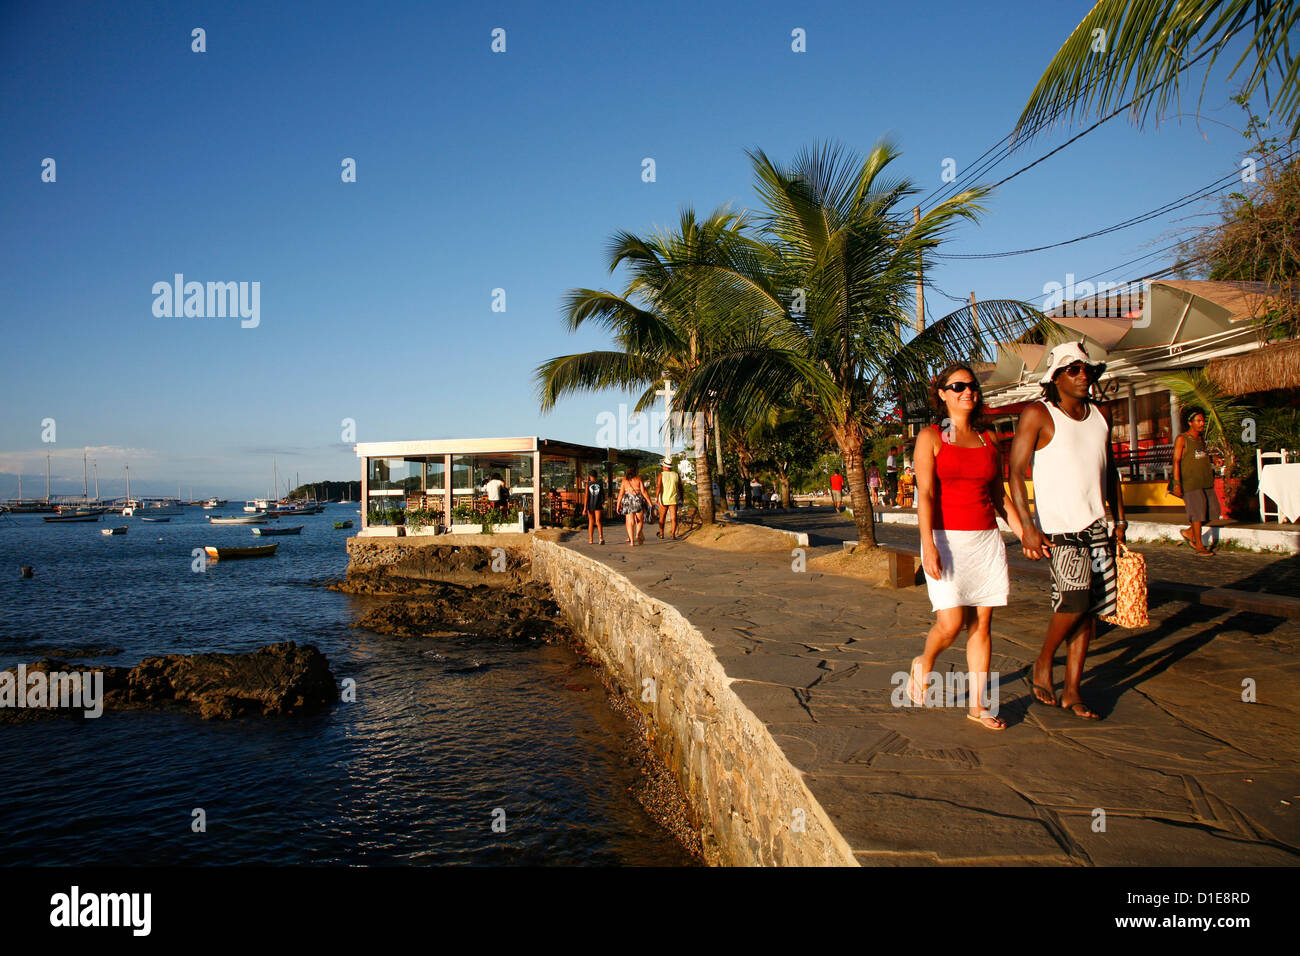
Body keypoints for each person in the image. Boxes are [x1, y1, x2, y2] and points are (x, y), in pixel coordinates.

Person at [1010, 341, 1126, 721]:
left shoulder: (1100, 415)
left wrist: (1119, 519)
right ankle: (1044, 661)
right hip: (1061, 530)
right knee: (1073, 601)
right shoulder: (1038, 415)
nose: (1082, 375)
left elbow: (1111, 472)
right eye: (1073, 369)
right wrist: (1027, 527)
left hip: (1097, 526)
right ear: (1055, 378)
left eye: (1086, 369)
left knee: (1088, 611)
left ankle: (1073, 688)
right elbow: (1015, 472)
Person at [910, 363, 1024, 731]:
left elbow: (998, 496)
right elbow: (925, 494)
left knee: (982, 623)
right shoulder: (930, 437)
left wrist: (1025, 532)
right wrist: (927, 543)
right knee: (951, 623)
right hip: (946, 539)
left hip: (985, 540)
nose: (967, 392)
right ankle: (924, 661)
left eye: (971, 386)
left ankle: (979, 705)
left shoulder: (989, 439)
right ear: (942, 393)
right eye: (957, 386)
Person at [1172, 407, 1218, 556]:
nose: (1202, 423)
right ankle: (1199, 546)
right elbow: (1176, 461)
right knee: (1197, 514)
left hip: (1205, 481)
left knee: (1213, 512)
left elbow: (1200, 455)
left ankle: (1190, 532)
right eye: (1198, 421)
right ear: (1190, 422)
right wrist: (1177, 483)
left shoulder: (1200, 439)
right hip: (1191, 483)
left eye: (1203, 420)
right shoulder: (1182, 439)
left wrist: (1212, 459)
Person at [615, 467, 650, 546]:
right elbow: (643, 491)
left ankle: (632, 541)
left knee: (630, 522)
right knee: (640, 520)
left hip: (628, 500)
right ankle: (637, 534)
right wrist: (649, 502)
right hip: (637, 499)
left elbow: (620, 494)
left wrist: (618, 505)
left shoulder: (624, 480)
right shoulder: (639, 479)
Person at [656, 459, 681, 539]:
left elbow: (659, 487)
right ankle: (673, 534)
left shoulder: (661, 475)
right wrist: (681, 497)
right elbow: (680, 487)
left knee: (662, 517)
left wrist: (656, 498)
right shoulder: (676, 475)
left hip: (663, 499)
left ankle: (661, 533)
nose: (662, 467)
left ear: (665, 466)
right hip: (673, 499)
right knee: (674, 517)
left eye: (663, 465)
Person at [583, 470, 606, 545]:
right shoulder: (600, 483)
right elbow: (603, 494)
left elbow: (586, 496)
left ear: (590, 476)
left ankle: (591, 539)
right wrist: (602, 502)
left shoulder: (588, 484)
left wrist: (584, 508)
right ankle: (601, 537)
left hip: (590, 504)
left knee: (591, 522)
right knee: (598, 521)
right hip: (598, 504)